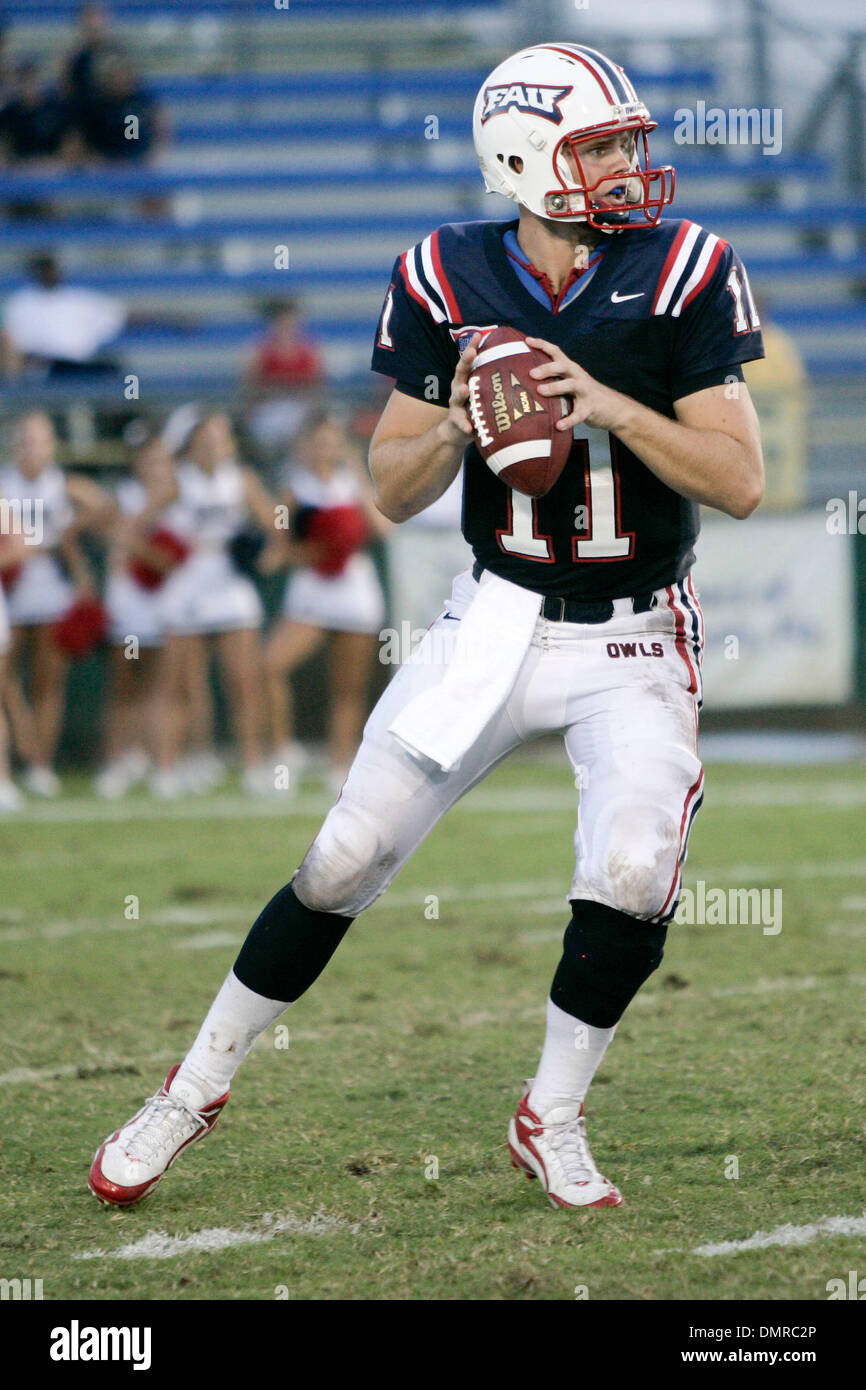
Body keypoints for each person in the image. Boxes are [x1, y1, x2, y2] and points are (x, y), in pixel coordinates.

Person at [88, 43, 764, 1212]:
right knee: (342, 857)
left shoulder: (686, 267)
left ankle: (549, 1115)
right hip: (492, 617)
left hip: (632, 629)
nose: (622, 165)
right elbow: (392, 489)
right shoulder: (444, 273)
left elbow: (739, 479)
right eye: (596, 144)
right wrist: (458, 421)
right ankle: (190, 1088)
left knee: (634, 867)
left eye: (622, 143)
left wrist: (603, 404)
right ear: (523, 155)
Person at [148, 410, 275, 799]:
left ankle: (253, 766)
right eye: (204, 440)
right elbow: (134, 525)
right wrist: (160, 560)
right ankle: (168, 768)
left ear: (231, 445)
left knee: (244, 683)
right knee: (177, 687)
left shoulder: (242, 480)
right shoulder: (177, 481)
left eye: (219, 440)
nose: (212, 447)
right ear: (192, 446)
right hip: (188, 582)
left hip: (230, 583)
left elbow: (276, 524)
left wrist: (263, 555)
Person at [262, 408, 389, 794]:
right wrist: (313, 551)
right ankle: (285, 754)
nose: (324, 450)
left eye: (332, 442)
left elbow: (383, 527)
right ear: (304, 446)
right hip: (313, 591)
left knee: (348, 687)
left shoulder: (354, 483)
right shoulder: (293, 491)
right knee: (270, 665)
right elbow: (279, 546)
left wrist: (357, 469)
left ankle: (341, 767)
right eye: (317, 442)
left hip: (354, 589)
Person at [1, 411, 109, 796]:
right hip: (9, 589)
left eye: (41, 442)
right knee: (6, 679)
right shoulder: (4, 485)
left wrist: (73, 529)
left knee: (49, 682)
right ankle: (21, 748)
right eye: (26, 441)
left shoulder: (61, 485)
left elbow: (105, 508)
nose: (33, 450)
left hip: (49, 586)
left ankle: (39, 763)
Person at [95, 430, 181, 799]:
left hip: (168, 602)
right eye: (149, 459)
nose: (156, 467)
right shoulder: (124, 498)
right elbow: (111, 536)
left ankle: (163, 764)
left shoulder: (179, 499)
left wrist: (139, 548)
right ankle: (117, 762)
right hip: (129, 602)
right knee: (124, 686)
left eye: (162, 460)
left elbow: (168, 558)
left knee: (162, 687)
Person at [0, 252, 126, 381]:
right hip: (45, 365)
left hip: (78, 363)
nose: (49, 273)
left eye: (51, 270)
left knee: (112, 371)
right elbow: (14, 342)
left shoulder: (79, 298)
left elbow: (119, 316)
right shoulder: (21, 302)